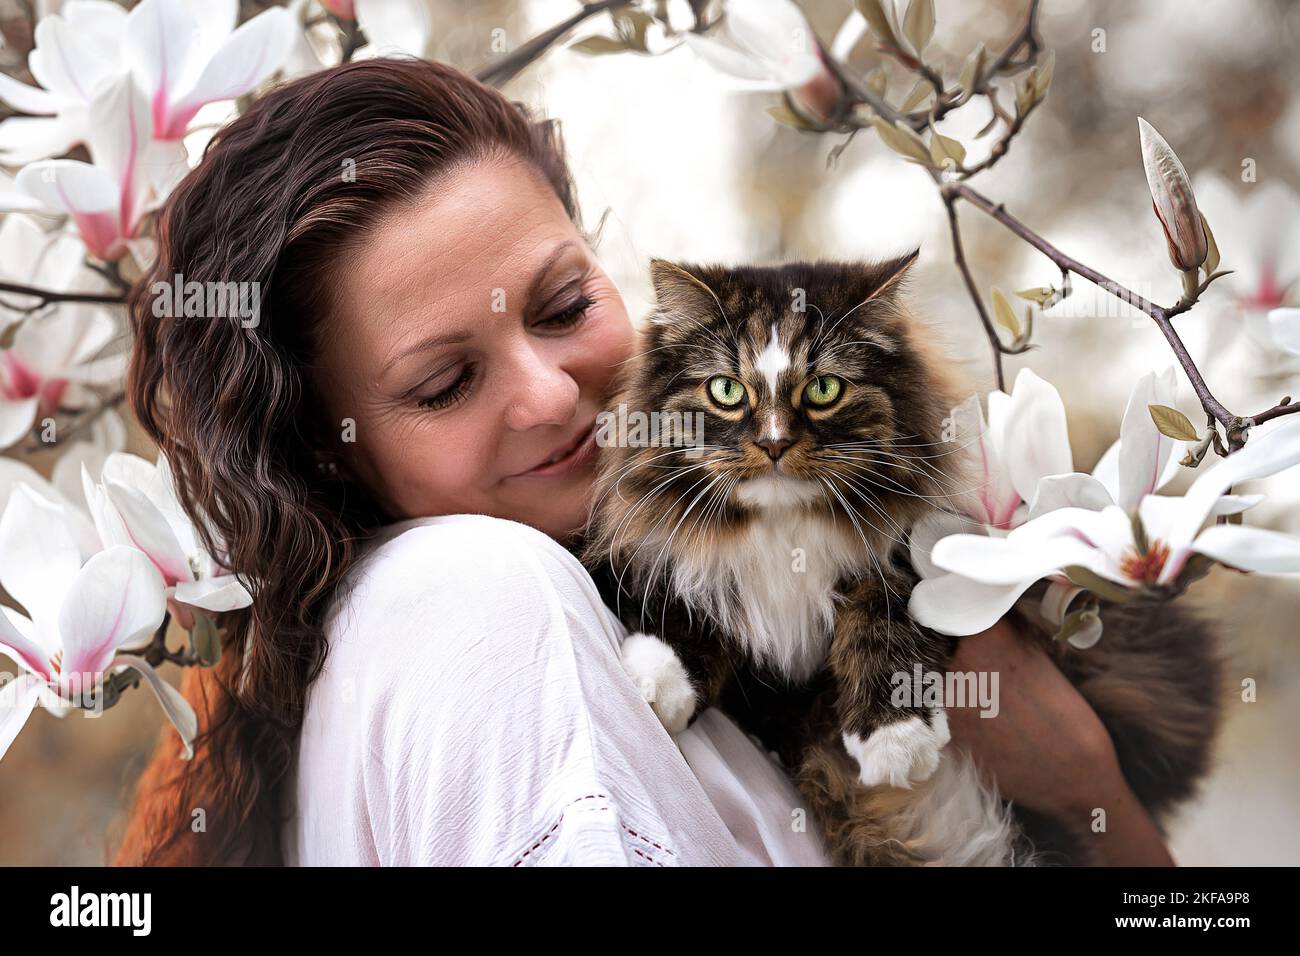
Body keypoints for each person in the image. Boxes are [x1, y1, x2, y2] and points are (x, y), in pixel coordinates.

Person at [115, 58, 1173, 866]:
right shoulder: (479, 593)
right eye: (445, 384)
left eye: (566, 304)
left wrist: (1088, 780)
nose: (548, 394)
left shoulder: (670, 596)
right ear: (326, 450)